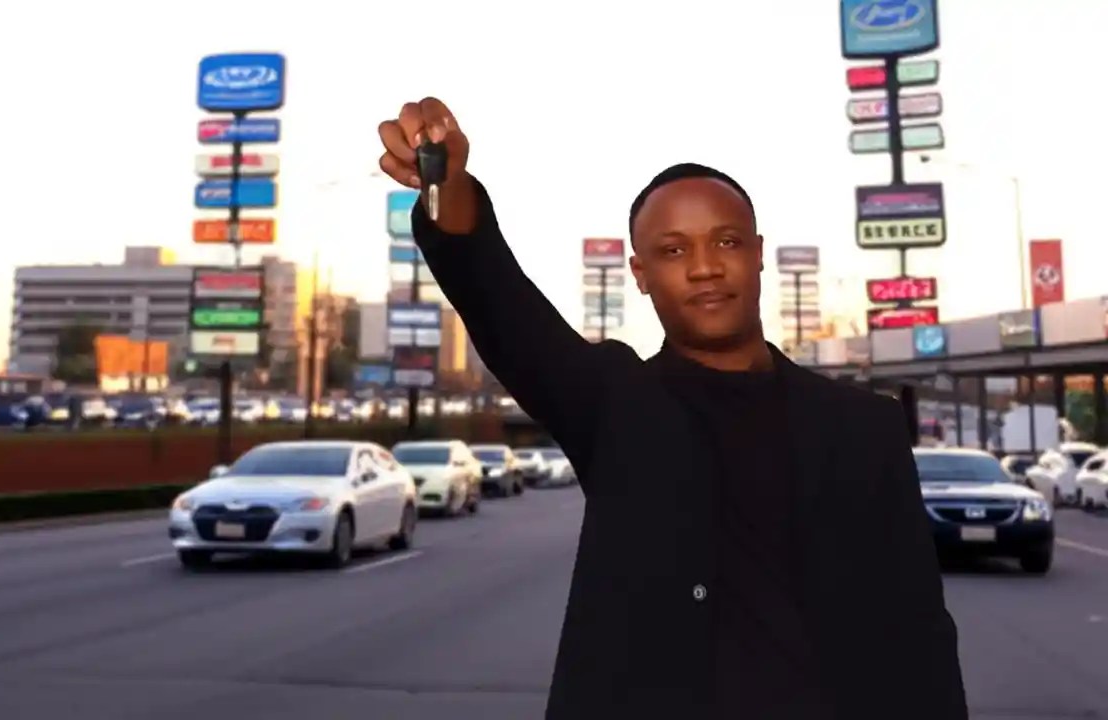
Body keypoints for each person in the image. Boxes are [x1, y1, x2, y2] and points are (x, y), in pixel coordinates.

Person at [378, 97, 967, 720]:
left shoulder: (864, 426)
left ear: (758, 253)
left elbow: (918, 633)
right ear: (640, 273)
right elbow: (498, 301)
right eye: (674, 251)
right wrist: (446, 185)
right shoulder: (615, 405)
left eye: (726, 241)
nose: (706, 267)